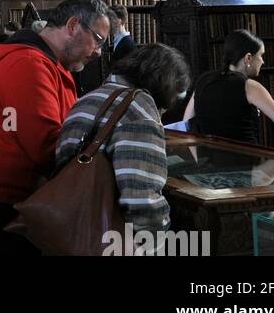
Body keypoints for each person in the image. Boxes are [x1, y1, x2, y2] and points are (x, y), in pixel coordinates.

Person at [0, 0, 110, 256]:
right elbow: (47, 146)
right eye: (98, 40)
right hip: (7, 206)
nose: (99, 52)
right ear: (72, 26)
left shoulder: (51, 64)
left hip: (23, 200)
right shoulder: (29, 64)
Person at [53, 44, 191, 253]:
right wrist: (155, 242)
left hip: (67, 225)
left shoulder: (88, 99)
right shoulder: (139, 112)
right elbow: (141, 197)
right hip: (108, 238)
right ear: (166, 86)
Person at [183, 29, 274, 153]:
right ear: (248, 58)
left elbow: (187, 124)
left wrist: (199, 161)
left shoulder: (204, 80)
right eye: (261, 55)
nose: (263, 61)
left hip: (210, 164)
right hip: (246, 163)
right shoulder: (250, 87)